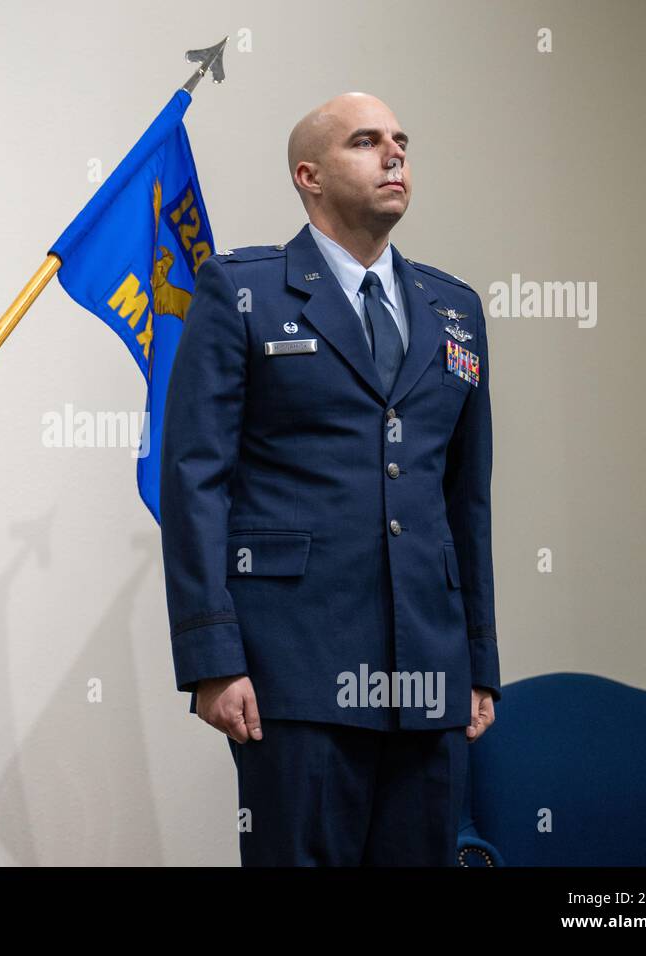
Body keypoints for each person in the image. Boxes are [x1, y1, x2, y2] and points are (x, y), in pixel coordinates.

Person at [159, 92, 499, 866]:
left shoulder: (455, 309)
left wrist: (479, 659)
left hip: (430, 669)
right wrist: (213, 658)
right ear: (309, 176)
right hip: (296, 665)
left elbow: (466, 499)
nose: (395, 155)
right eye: (367, 141)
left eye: (401, 141)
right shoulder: (242, 290)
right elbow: (194, 483)